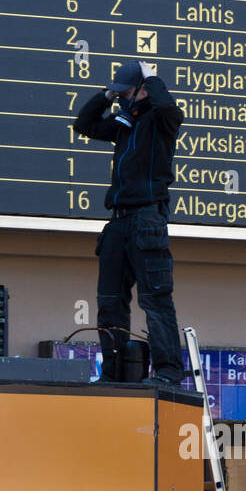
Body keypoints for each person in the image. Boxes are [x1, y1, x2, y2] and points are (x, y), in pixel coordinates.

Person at [72, 60, 185, 387]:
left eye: (126, 92)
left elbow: (167, 106)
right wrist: (107, 95)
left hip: (148, 219)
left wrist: (152, 79)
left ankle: (168, 372)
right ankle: (113, 372)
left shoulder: (162, 120)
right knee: (110, 302)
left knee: (155, 299)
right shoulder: (125, 122)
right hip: (118, 222)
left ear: (143, 89)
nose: (121, 98)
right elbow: (84, 124)